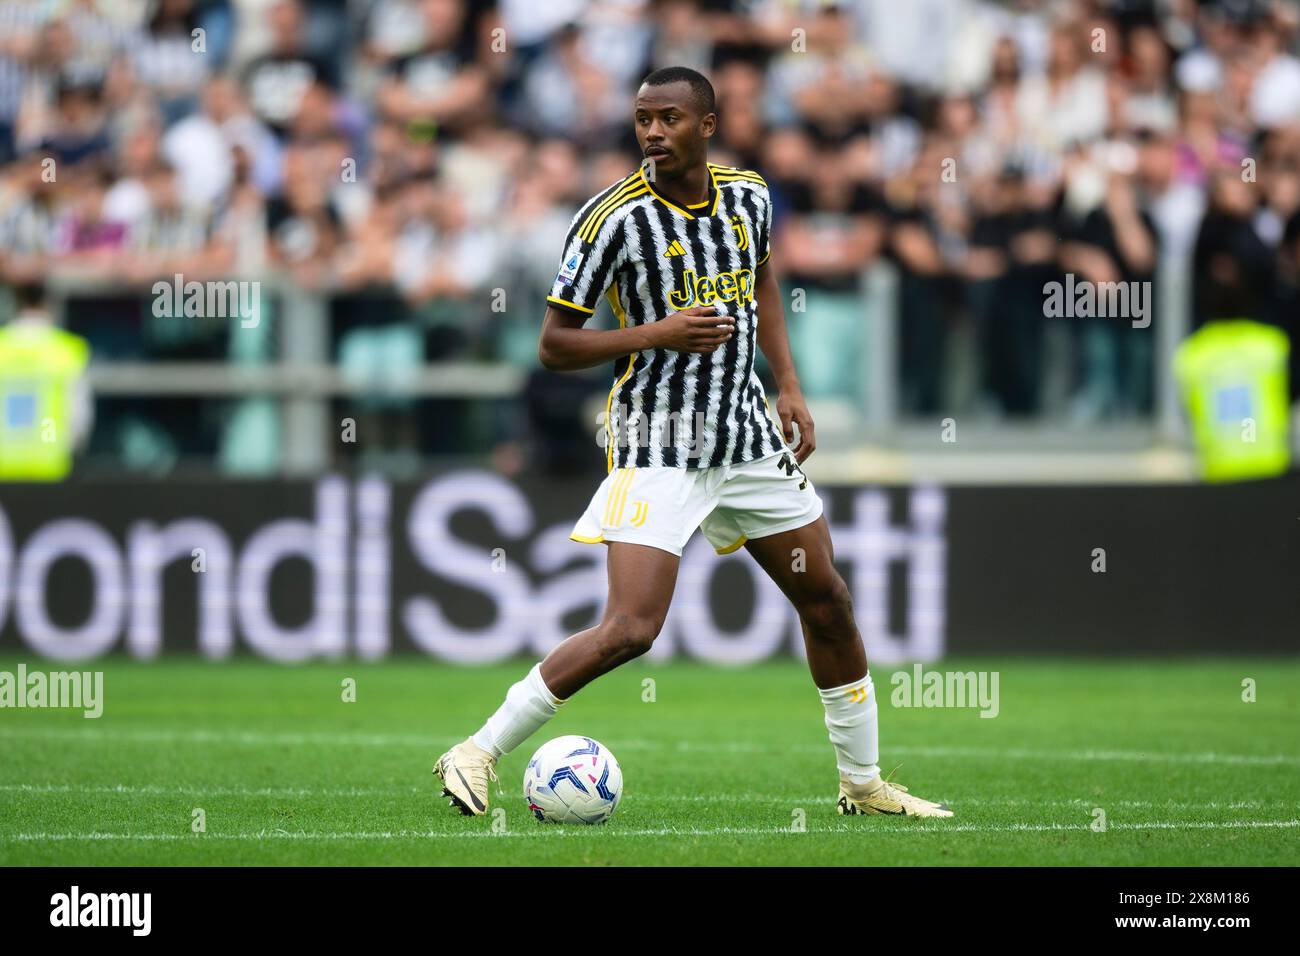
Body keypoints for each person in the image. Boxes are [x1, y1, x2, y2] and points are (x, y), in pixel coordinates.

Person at [433, 66, 952, 819]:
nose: (652, 132)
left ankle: (862, 784)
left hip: (746, 438)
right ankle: (477, 750)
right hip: (659, 442)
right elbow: (554, 345)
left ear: (707, 125)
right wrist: (658, 333)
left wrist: (791, 385)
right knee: (632, 629)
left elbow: (764, 281)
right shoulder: (610, 219)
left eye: (669, 118)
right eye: (643, 118)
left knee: (827, 597)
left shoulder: (749, 195)